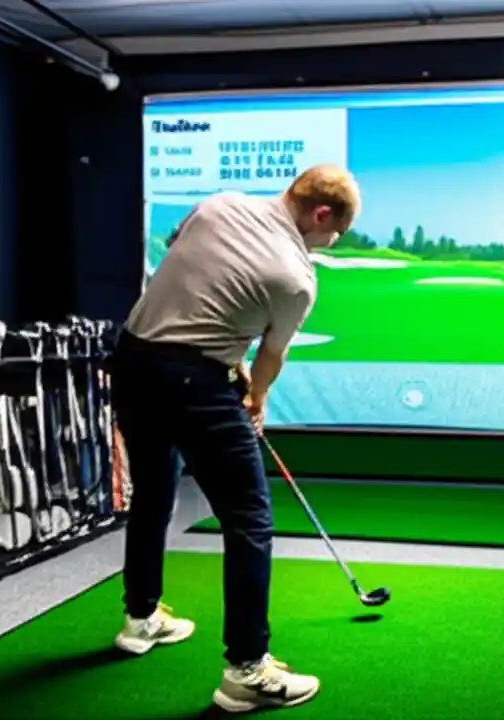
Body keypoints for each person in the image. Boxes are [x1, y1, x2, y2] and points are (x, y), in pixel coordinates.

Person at [109, 164, 360, 713]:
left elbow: (191, 267)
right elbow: (271, 355)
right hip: (192, 381)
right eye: (333, 235)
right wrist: (257, 399)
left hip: (132, 360)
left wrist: (224, 356)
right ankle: (248, 669)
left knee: (154, 489)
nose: (328, 245)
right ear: (321, 215)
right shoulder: (296, 276)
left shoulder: (219, 203)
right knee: (248, 517)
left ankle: (141, 618)